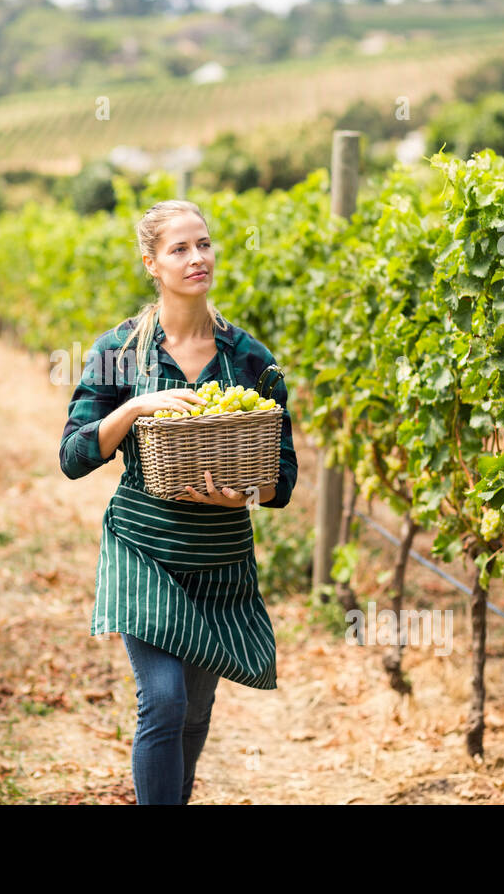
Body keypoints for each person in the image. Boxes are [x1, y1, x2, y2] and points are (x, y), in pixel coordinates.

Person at [58, 199, 298, 805]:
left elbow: (282, 481)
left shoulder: (251, 359)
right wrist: (137, 407)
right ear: (152, 263)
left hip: (217, 556)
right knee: (162, 703)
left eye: (205, 245)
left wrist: (242, 492)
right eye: (180, 249)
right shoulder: (119, 351)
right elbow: (73, 456)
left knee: (193, 711)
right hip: (144, 551)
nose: (198, 258)